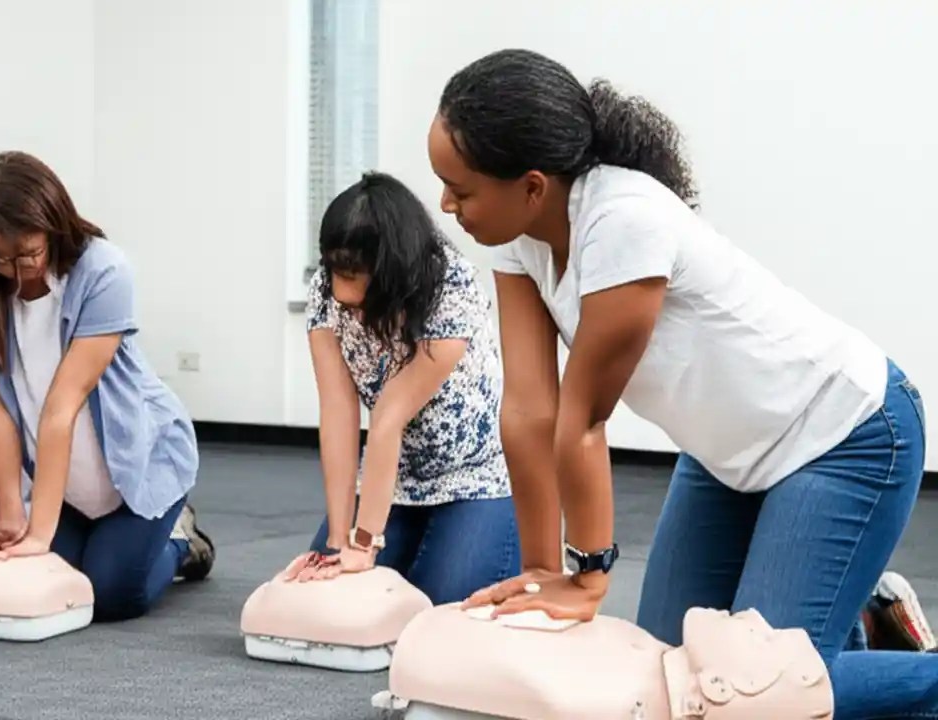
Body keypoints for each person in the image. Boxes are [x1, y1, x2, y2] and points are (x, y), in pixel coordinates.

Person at [430, 49, 938, 718]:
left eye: (461, 189)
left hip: (845, 435)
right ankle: (858, 624)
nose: (445, 204)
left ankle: (897, 666)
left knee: (732, 695)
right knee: (656, 670)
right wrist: (541, 574)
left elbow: (581, 418)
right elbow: (529, 410)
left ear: (530, 186)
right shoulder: (515, 237)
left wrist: (587, 574)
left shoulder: (622, 221)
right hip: (726, 455)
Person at [0, 150, 214, 622]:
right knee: (51, 578)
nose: (18, 272)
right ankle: (83, 534)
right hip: (63, 481)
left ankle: (180, 539)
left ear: (53, 226)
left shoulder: (103, 271)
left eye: (29, 253)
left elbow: (61, 406)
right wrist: (12, 519)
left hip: (139, 468)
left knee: (109, 594)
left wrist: (39, 532)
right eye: (0, 259)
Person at [281, 172, 520, 605]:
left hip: (474, 478)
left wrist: (366, 542)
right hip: (391, 479)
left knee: (437, 612)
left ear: (391, 272)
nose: (340, 290)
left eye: (355, 279)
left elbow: (389, 417)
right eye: (335, 270)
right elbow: (338, 411)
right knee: (335, 596)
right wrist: (340, 540)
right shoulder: (326, 290)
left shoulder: (452, 287)